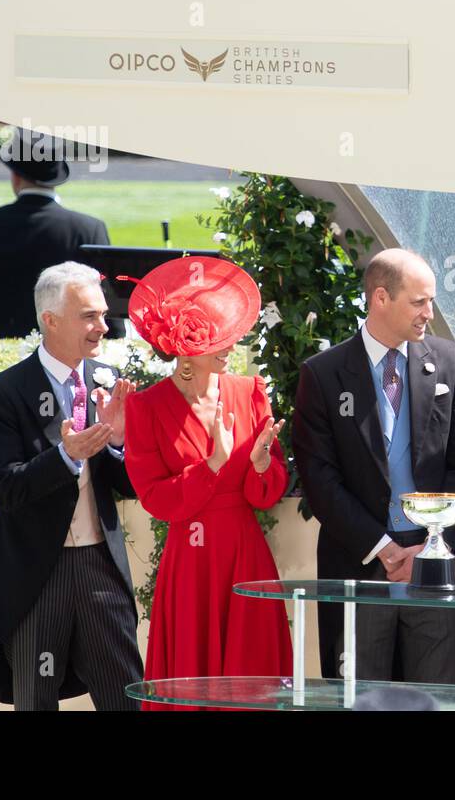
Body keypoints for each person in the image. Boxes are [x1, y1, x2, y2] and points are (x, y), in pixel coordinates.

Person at [291, 248, 455, 683]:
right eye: (419, 302)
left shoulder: (450, 361)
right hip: (359, 569)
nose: (429, 314)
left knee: (433, 695)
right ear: (381, 298)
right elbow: (320, 479)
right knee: (362, 697)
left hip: (435, 570)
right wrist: (387, 550)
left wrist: (429, 547)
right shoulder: (323, 374)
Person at [123, 256, 292, 706]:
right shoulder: (147, 407)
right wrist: (214, 463)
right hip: (191, 565)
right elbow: (156, 499)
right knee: (189, 681)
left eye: (229, 333)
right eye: (217, 336)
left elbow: (269, 490)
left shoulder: (250, 391)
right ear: (183, 345)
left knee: (252, 677)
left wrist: (259, 465)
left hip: (246, 554)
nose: (229, 344)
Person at [0, 262, 142, 709]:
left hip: (99, 567)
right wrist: (67, 456)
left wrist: (119, 442)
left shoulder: (108, 382)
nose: (103, 327)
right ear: (50, 320)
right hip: (37, 574)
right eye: (89, 316)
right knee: (35, 698)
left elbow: (129, 486)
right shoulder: (3, 394)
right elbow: (8, 488)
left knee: (126, 697)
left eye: (104, 315)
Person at [0, 128, 110, 339]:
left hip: (0, 355)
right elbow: (105, 308)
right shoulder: (88, 229)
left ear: (16, 175)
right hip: (68, 355)